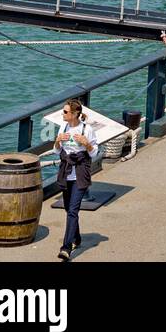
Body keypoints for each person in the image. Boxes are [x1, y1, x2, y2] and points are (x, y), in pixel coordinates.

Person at [54, 98, 99, 260]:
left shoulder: (87, 129)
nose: (63, 114)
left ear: (75, 114)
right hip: (66, 173)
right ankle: (76, 237)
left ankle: (66, 248)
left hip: (80, 173)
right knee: (68, 209)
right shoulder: (63, 126)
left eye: (65, 112)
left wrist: (87, 144)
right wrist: (58, 141)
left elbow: (94, 153)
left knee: (73, 210)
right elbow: (56, 151)